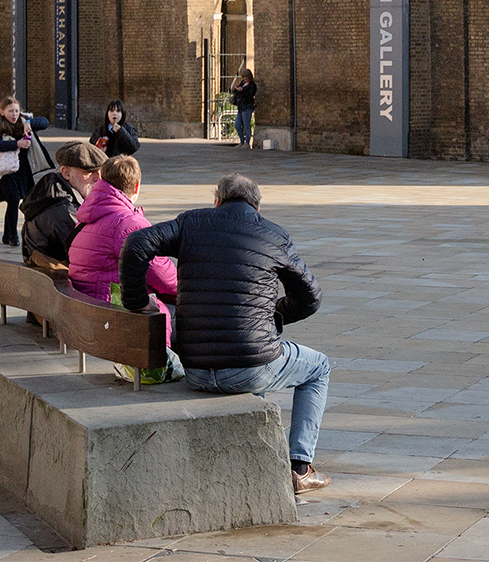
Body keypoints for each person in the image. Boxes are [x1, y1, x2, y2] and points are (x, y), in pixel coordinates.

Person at [120, 172, 331, 494]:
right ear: (256, 207)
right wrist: (275, 316)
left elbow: (137, 243)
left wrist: (135, 301)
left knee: (249, 353)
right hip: (249, 366)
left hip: (197, 369)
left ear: (216, 201)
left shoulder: (191, 223)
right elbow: (310, 297)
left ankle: (256, 459)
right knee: (318, 367)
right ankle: (300, 467)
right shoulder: (273, 235)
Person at [68, 155, 178, 349]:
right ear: (136, 187)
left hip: (91, 306)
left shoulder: (89, 213)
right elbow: (161, 275)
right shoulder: (127, 224)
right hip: (113, 314)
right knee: (199, 317)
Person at [20, 141, 108, 264]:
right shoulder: (65, 208)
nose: (98, 178)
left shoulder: (53, 192)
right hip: (57, 278)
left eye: (100, 171)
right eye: (88, 172)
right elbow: (89, 254)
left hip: (47, 276)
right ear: (66, 173)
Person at [0, 97, 51, 246]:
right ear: (2, 112)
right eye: (10, 111)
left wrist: (29, 123)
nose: (14, 114)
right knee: (14, 199)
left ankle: (7, 234)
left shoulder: (23, 122)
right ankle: (13, 236)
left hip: (22, 169)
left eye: (16, 110)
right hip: (5, 170)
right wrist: (17, 144)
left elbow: (45, 122)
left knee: (25, 199)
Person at [230, 69, 257, 148]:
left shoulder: (252, 85)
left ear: (249, 77)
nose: (245, 79)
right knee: (237, 124)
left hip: (247, 107)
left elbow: (250, 95)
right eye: (243, 77)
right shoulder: (243, 83)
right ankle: (242, 141)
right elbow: (236, 91)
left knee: (246, 125)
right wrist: (236, 89)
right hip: (240, 108)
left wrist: (242, 90)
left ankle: (247, 142)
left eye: (246, 77)